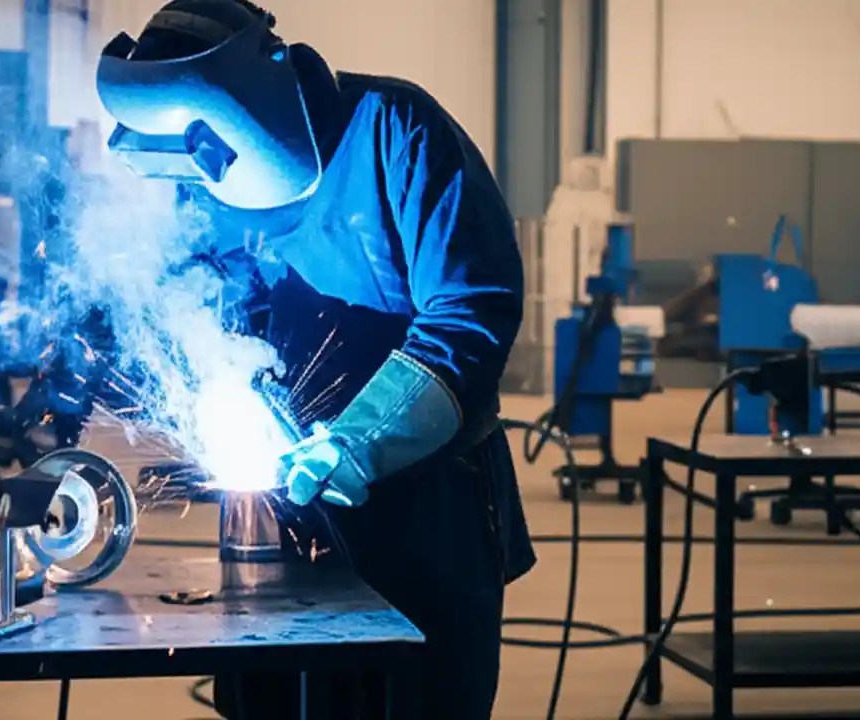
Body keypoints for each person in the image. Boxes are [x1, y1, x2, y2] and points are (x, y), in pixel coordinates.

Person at [95, 1, 533, 717]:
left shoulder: (396, 130)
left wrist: (357, 442)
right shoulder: (199, 167)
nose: (204, 174)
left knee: (415, 698)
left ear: (253, 97)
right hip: (285, 513)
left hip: (430, 510)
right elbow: (214, 303)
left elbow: (472, 309)